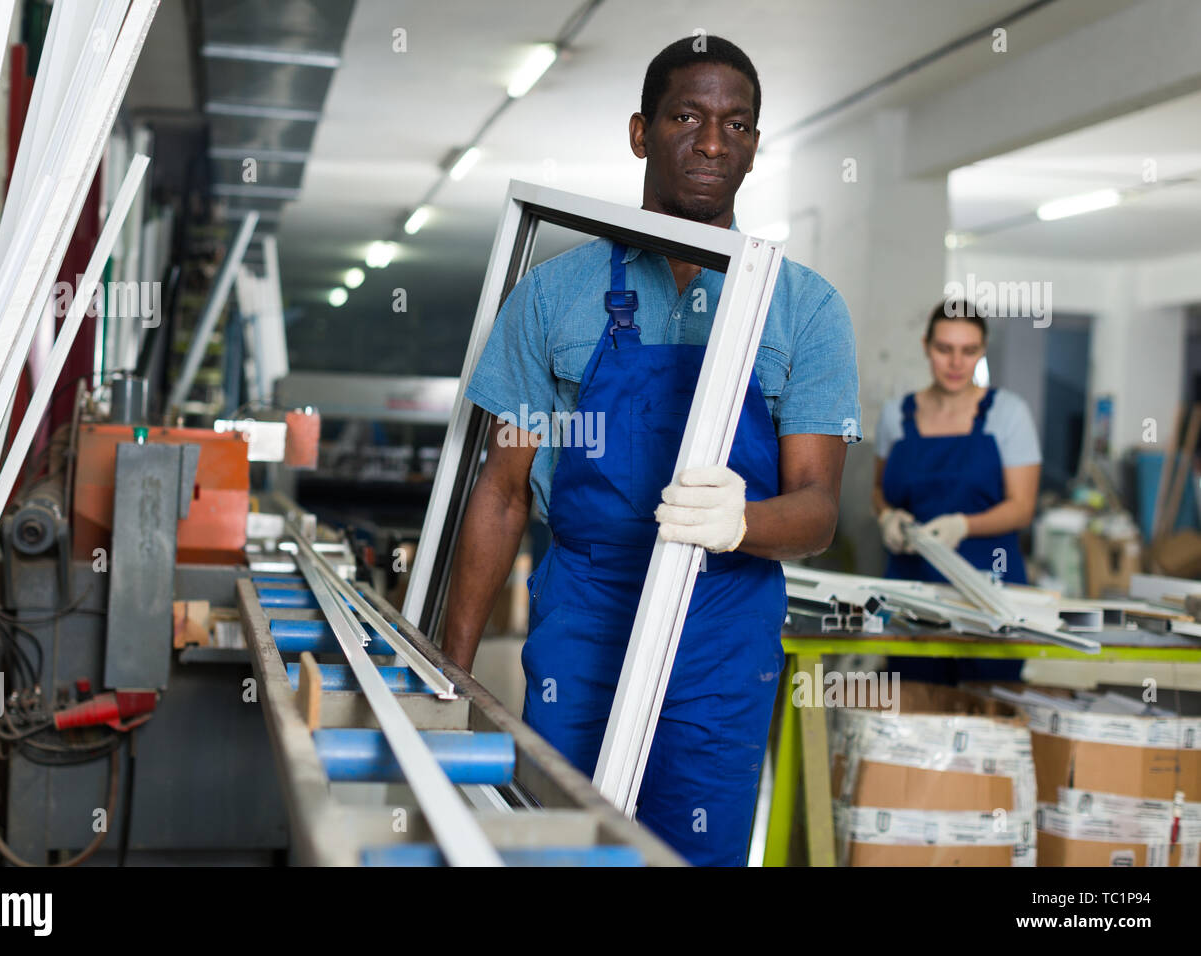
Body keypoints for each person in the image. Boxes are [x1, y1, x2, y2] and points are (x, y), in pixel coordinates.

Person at [440, 36, 860, 866]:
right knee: (566, 843)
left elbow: (816, 511)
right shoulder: (555, 295)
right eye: (688, 117)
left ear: (755, 145)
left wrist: (742, 521)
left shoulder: (802, 307)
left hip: (723, 625)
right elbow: (502, 493)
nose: (712, 143)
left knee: (694, 848)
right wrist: (450, 680)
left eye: (737, 125)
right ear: (641, 131)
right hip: (589, 611)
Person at [872, 300, 1041, 682]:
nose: (956, 363)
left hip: (989, 587)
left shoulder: (1009, 413)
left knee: (986, 705)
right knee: (913, 702)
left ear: (982, 351)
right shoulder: (896, 415)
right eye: (944, 349)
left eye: (969, 351)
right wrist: (887, 516)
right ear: (925, 345)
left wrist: (962, 525)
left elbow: (1022, 507)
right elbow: (879, 489)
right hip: (910, 587)